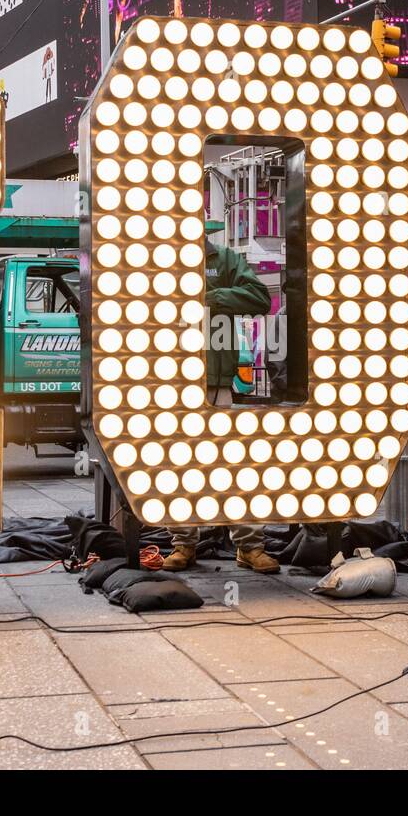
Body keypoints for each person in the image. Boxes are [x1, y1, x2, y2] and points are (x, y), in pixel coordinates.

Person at [162, 239, 278, 574]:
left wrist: (209, 297)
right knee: (178, 465)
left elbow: (259, 298)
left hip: (215, 381)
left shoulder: (224, 258)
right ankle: (183, 542)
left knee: (231, 462)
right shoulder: (160, 256)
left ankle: (248, 545)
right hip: (171, 380)